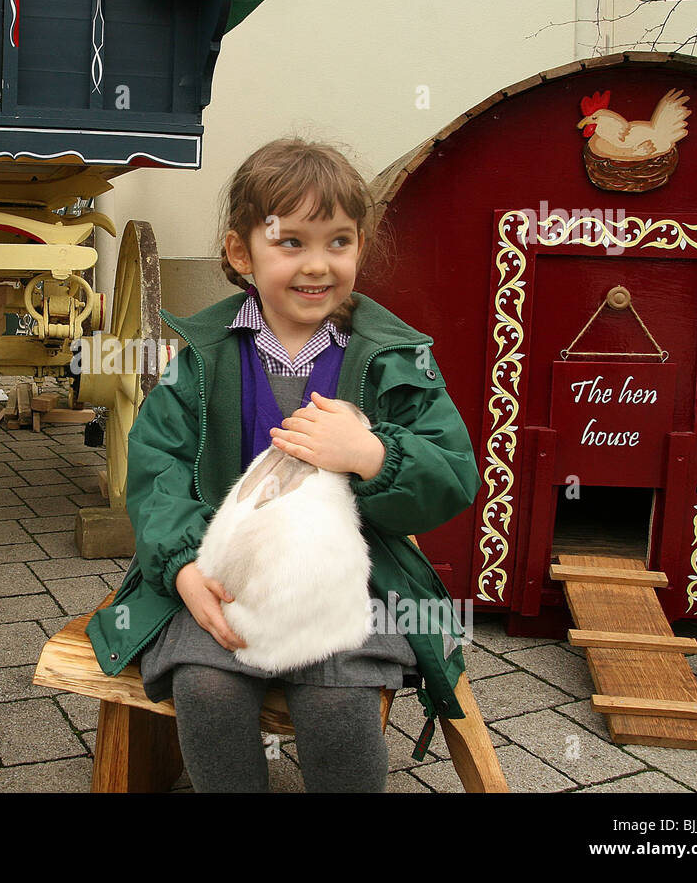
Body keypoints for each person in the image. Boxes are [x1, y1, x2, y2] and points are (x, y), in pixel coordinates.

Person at [86, 138, 482, 792]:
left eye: (339, 242)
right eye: (290, 243)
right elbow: (157, 467)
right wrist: (185, 564)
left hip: (348, 589)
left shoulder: (392, 358)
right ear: (243, 253)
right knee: (206, 685)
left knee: (338, 698)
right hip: (226, 581)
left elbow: (452, 474)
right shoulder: (203, 358)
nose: (317, 265)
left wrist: (374, 456)